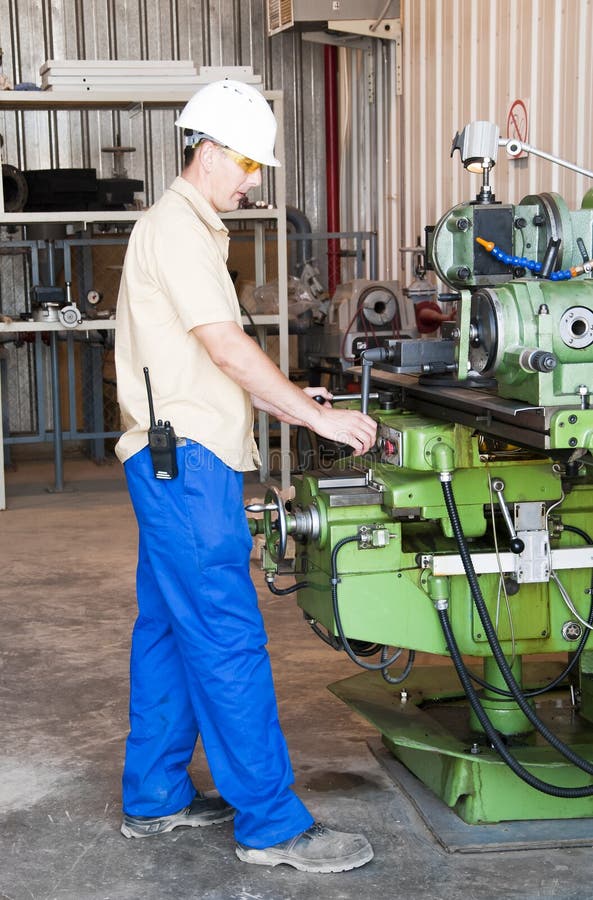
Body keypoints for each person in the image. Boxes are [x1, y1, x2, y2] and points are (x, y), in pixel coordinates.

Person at [114, 79, 377, 874]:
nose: (254, 179)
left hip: (173, 461)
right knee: (226, 638)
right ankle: (271, 824)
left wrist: (297, 394)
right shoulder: (178, 231)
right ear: (208, 149)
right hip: (185, 467)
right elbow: (225, 346)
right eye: (248, 162)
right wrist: (315, 418)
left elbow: (200, 356)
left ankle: (153, 800)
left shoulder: (186, 230)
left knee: (167, 631)